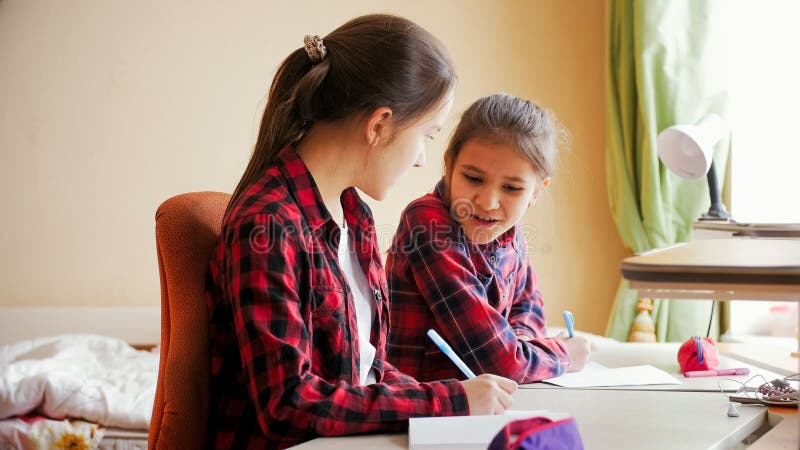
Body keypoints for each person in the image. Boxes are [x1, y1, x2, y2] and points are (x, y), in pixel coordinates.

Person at [205, 15, 517, 450]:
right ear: (379, 125)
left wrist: (451, 402)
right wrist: (448, 400)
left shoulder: (356, 216)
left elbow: (367, 369)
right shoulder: (268, 225)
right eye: (426, 134)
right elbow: (287, 405)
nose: (422, 160)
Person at [386, 93, 592, 384]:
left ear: (537, 191)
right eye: (473, 179)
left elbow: (528, 304)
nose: (488, 202)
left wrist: (521, 341)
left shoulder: (506, 228)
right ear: (449, 164)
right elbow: (500, 363)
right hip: (426, 409)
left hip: (482, 403)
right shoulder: (428, 224)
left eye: (511, 188)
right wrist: (563, 355)